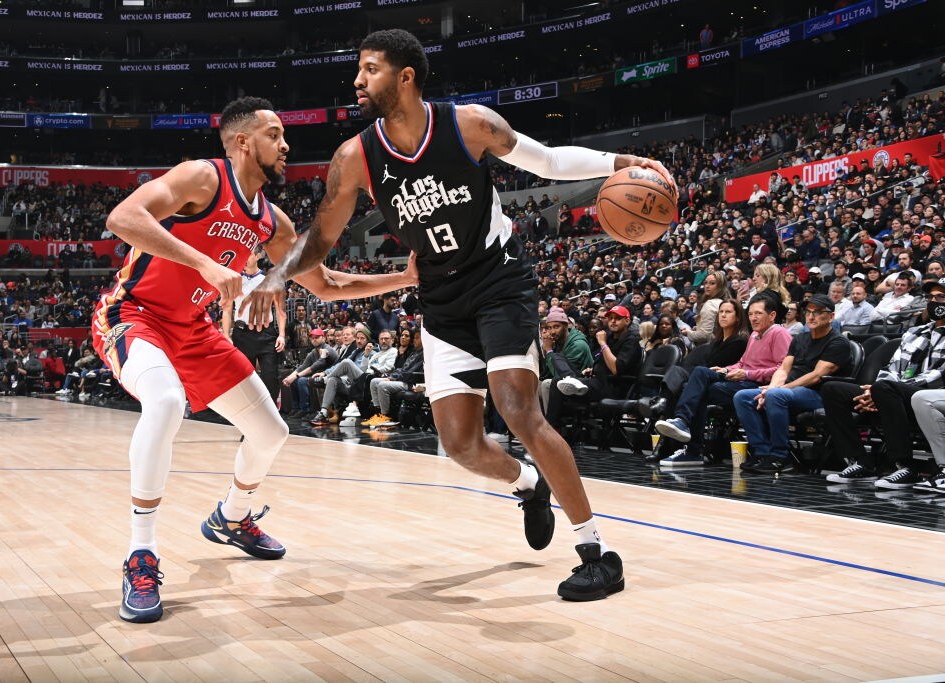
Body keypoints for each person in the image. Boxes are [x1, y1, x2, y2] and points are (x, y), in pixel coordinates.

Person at [252, 29, 675, 602]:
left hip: (499, 282)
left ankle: (596, 552)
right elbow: (322, 238)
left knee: (517, 407)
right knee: (459, 444)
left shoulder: (469, 124)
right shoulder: (354, 158)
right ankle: (528, 484)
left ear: (405, 77)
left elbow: (548, 161)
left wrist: (623, 161)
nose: (357, 80)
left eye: (370, 69)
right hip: (441, 300)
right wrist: (274, 275)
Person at [95, 96, 416, 624]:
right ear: (243, 142)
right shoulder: (202, 177)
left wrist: (402, 278)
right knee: (166, 402)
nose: (286, 145)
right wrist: (204, 264)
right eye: (274, 135)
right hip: (135, 315)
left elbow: (325, 284)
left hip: (193, 330)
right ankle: (140, 555)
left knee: (271, 432)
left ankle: (232, 517)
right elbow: (123, 216)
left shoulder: (271, 221)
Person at [824, 277, 945, 489]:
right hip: (891, 393)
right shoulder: (915, 332)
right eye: (931, 297)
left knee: (885, 388)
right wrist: (874, 392)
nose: (934, 302)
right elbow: (892, 367)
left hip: (930, 395)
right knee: (833, 389)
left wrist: (887, 389)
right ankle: (861, 462)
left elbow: (939, 375)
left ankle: (906, 466)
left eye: (941, 297)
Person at [654, 295, 790, 466]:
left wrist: (747, 374)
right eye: (750, 314)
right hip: (741, 379)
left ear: (772, 315)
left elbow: (782, 369)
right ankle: (683, 424)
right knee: (699, 374)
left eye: (758, 313)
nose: (753, 318)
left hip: (758, 384)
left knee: (697, 389)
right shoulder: (754, 335)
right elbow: (743, 363)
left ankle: (692, 447)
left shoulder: (779, 333)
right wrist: (727, 370)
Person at [732, 295, 851, 474]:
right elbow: (783, 369)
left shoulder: (838, 342)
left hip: (819, 394)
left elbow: (816, 376)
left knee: (775, 395)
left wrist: (779, 389)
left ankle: (781, 457)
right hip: (790, 391)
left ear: (831, 317)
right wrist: (771, 388)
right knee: (742, 397)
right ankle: (762, 453)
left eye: (818, 312)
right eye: (808, 311)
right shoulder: (800, 338)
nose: (811, 316)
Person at [221, 245, 285, 402]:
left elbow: (280, 310)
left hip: (266, 334)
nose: (243, 257)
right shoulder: (234, 279)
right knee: (243, 379)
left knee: (270, 376)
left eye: (248, 254)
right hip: (242, 334)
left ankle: (272, 409)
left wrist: (282, 335)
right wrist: (226, 335)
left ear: (258, 256)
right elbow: (227, 309)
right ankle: (248, 410)